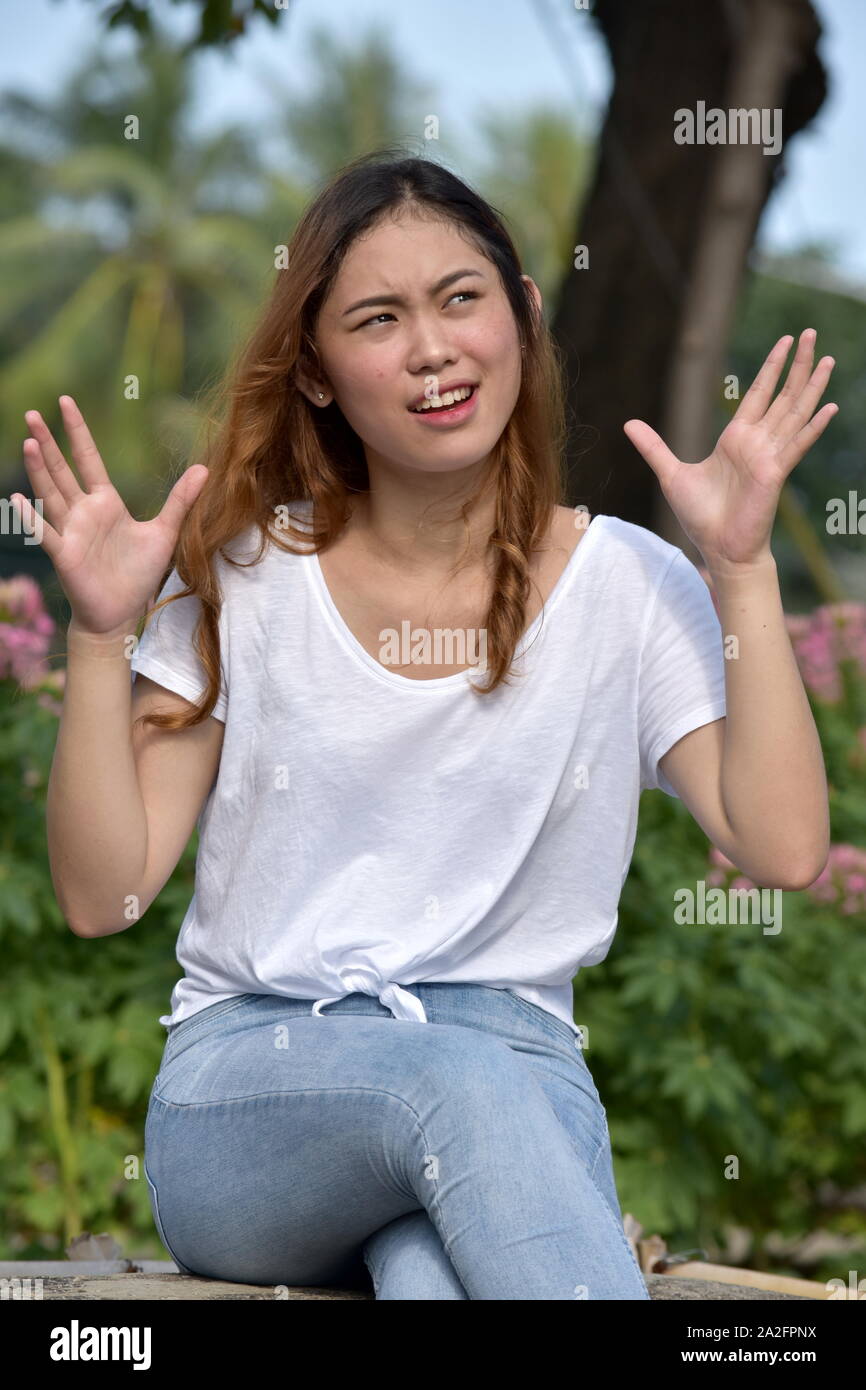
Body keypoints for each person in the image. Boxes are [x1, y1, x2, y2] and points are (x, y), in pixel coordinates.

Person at [23, 151, 833, 1300]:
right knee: (456, 1084)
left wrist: (741, 570)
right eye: (377, 319)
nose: (432, 348)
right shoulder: (246, 578)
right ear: (313, 371)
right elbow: (102, 897)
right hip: (256, 1092)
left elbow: (784, 847)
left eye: (461, 298)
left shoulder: (630, 585)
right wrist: (101, 639)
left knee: (427, 1277)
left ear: (522, 314)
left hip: (518, 1079)